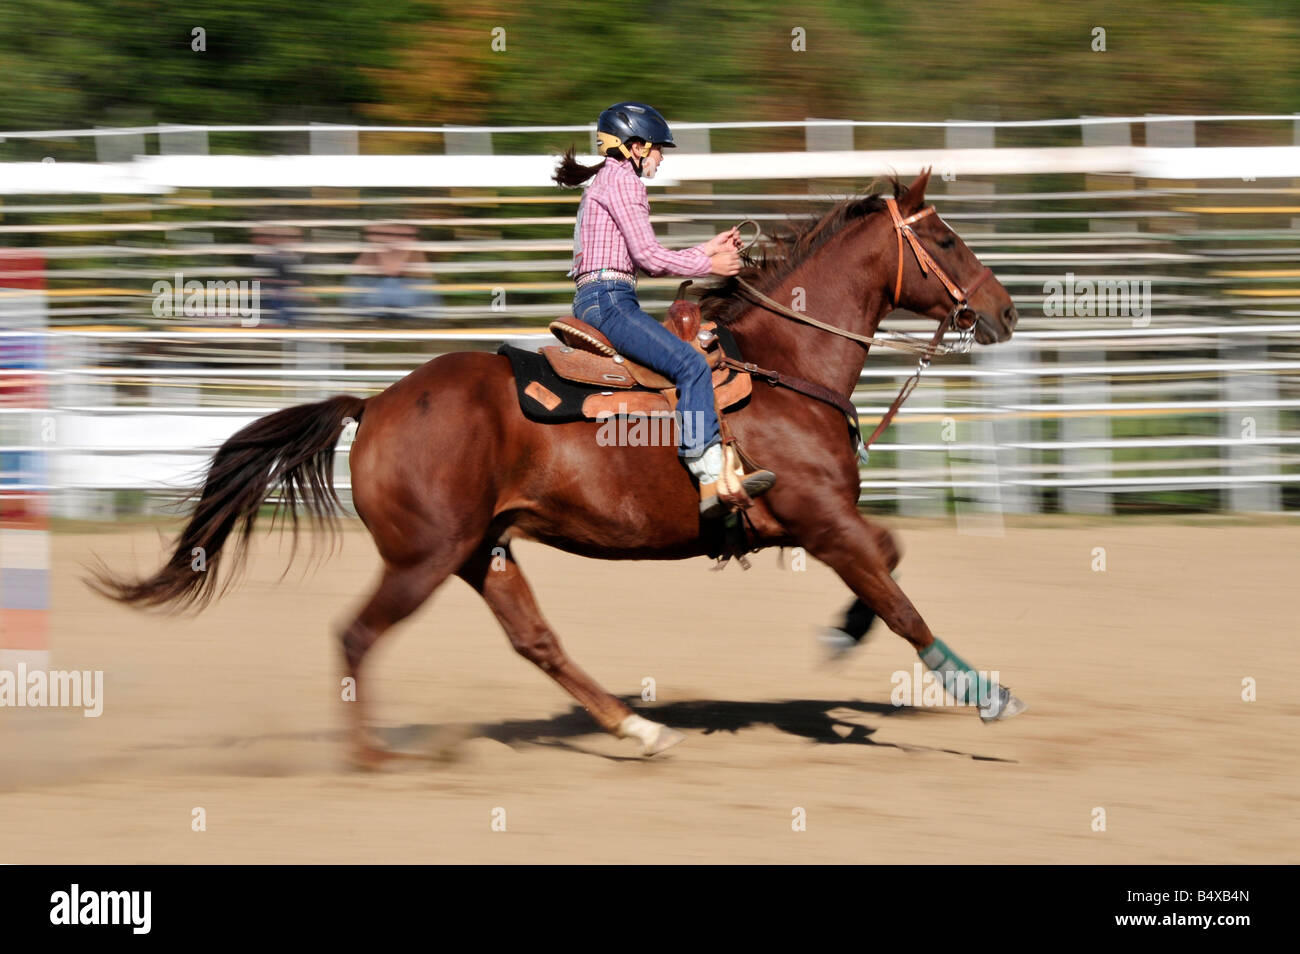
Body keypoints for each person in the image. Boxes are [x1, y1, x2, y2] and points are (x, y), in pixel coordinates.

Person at [553, 101, 775, 517]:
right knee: (691, 366)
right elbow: (651, 259)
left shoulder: (605, 179)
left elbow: (643, 254)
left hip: (598, 297)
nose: (660, 158)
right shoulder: (626, 183)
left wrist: (706, 249)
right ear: (635, 147)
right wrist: (710, 264)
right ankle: (708, 470)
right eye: (658, 149)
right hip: (610, 301)